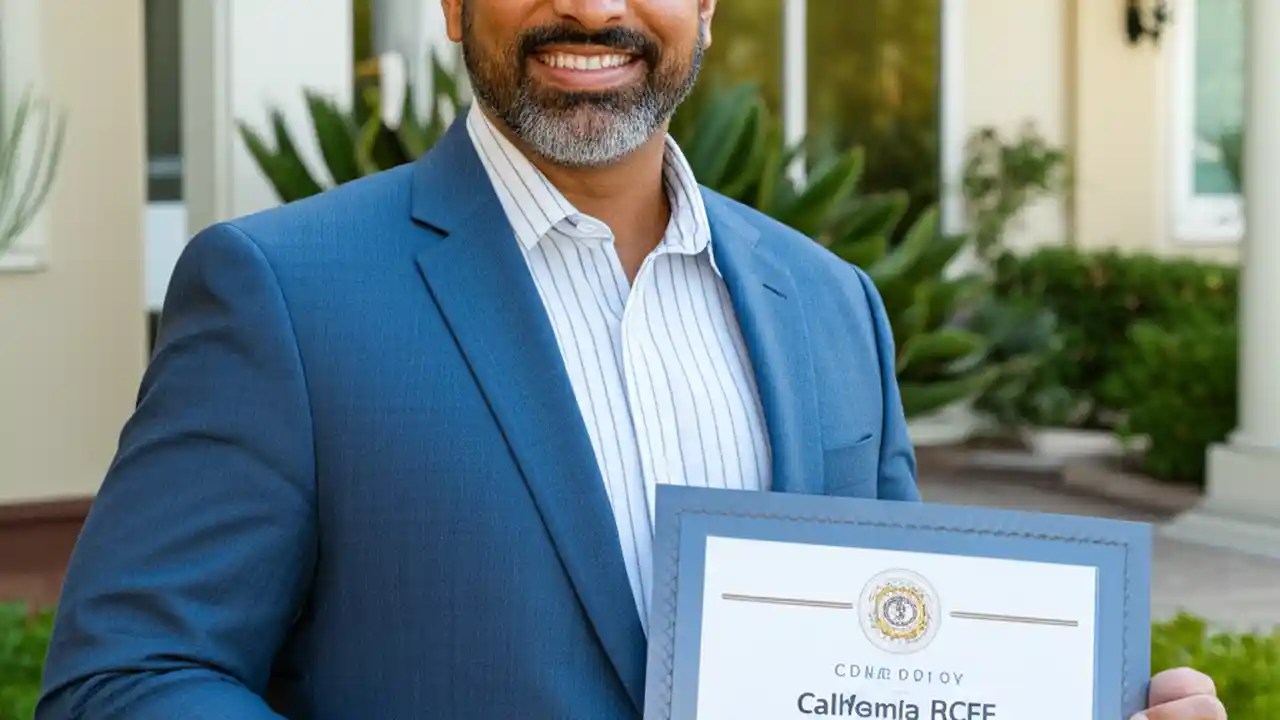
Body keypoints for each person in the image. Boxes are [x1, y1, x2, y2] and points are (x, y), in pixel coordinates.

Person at [38, 0, 1225, 718]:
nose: (589, 7)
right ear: (451, 3)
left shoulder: (828, 306)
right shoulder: (282, 292)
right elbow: (126, 678)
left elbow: (900, 658)